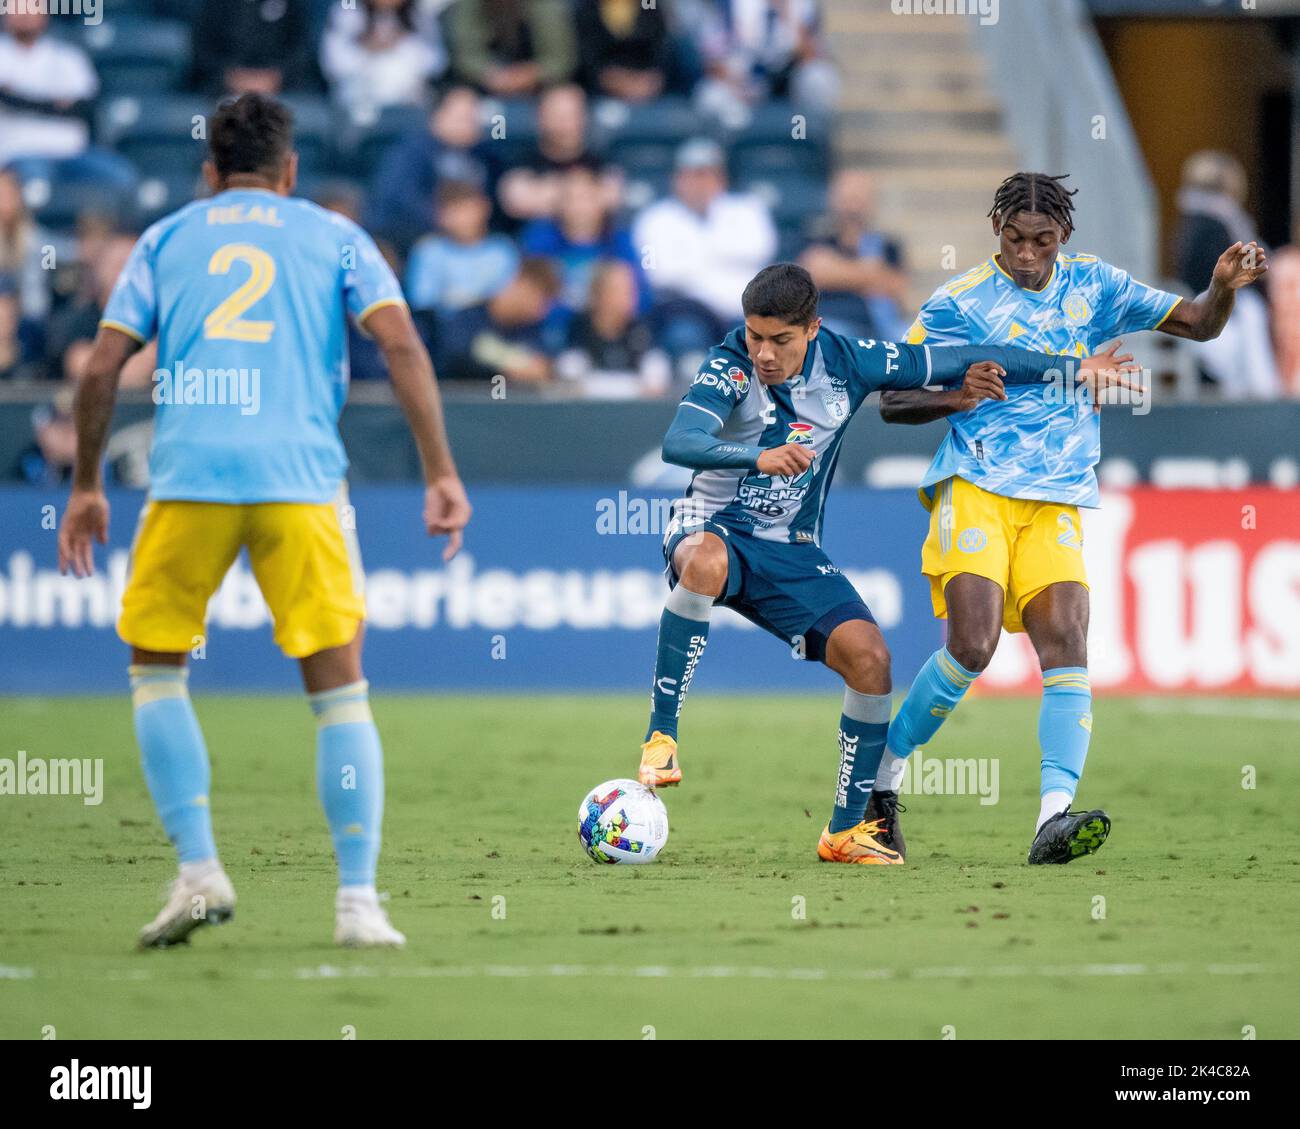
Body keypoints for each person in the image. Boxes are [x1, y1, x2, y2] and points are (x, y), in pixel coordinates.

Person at [57, 93, 471, 950]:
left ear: (210, 174)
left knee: (157, 671)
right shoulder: (334, 234)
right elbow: (400, 345)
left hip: (190, 476)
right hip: (299, 480)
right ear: (290, 172)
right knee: (340, 686)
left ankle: (200, 869)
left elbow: (101, 369)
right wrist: (440, 470)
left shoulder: (168, 237)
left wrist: (87, 482)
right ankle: (358, 903)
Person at [636, 262, 1141, 864]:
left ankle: (846, 830)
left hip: (789, 548)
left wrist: (1073, 369)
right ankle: (661, 737)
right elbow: (681, 441)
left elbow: (970, 354)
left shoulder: (851, 362)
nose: (764, 353)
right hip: (710, 526)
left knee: (871, 660)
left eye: (780, 340)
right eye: (754, 336)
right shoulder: (727, 365)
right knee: (708, 561)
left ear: (813, 329)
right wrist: (759, 456)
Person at [878, 171, 1269, 865]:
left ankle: (1052, 818)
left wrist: (1223, 289)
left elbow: (1198, 324)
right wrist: (955, 397)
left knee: (1066, 639)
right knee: (972, 646)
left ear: (1065, 238)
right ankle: (881, 780)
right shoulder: (958, 303)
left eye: (1043, 241)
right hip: (976, 484)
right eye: (1014, 239)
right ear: (996, 230)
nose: (1027, 255)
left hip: (1058, 492)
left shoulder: (1096, 286)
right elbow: (891, 396)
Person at [633, 137, 777, 325]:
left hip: (744, 313)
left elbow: (762, 250)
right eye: (693, 175)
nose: (700, 184)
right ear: (677, 179)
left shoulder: (748, 209)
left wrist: (687, 256)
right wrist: (722, 257)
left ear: (721, 179)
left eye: (708, 175)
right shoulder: (653, 219)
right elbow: (653, 271)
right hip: (687, 314)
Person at [1173, 150, 1281, 399]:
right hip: (1218, 309)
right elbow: (1244, 265)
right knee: (1253, 311)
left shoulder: (1193, 218)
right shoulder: (1216, 222)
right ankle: (1264, 395)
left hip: (1208, 305)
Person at [800, 169, 908, 341]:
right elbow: (814, 275)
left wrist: (837, 272)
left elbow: (897, 289)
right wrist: (871, 274)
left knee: (914, 341)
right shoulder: (816, 239)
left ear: (872, 203)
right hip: (833, 323)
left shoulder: (888, 245)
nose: (853, 208)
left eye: (859, 199)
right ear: (834, 201)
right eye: (848, 199)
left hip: (880, 326)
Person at [555, 259, 671, 398]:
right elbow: (570, 383)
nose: (629, 298)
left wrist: (594, 385)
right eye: (619, 290)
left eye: (631, 290)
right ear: (598, 294)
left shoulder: (643, 331)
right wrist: (633, 386)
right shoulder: (577, 330)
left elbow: (654, 385)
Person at [406, 179, 519, 315]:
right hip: (442, 331)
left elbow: (508, 304)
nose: (463, 219)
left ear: (485, 207)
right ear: (440, 216)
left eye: (468, 209)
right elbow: (422, 304)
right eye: (455, 211)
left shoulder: (503, 250)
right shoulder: (428, 251)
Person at [320, 0, 446, 113]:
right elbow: (334, 63)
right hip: (358, 104)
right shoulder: (348, 8)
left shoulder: (418, 13)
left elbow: (436, 63)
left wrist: (403, 42)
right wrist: (367, 46)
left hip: (408, 105)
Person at [447, 0, 576, 97]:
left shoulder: (545, 6)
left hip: (542, 87)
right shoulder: (469, 5)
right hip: (482, 85)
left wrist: (530, 74)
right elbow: (465, 56)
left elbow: (560, 60)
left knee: (564, 102)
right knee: (459, 104)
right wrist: (492, 75)